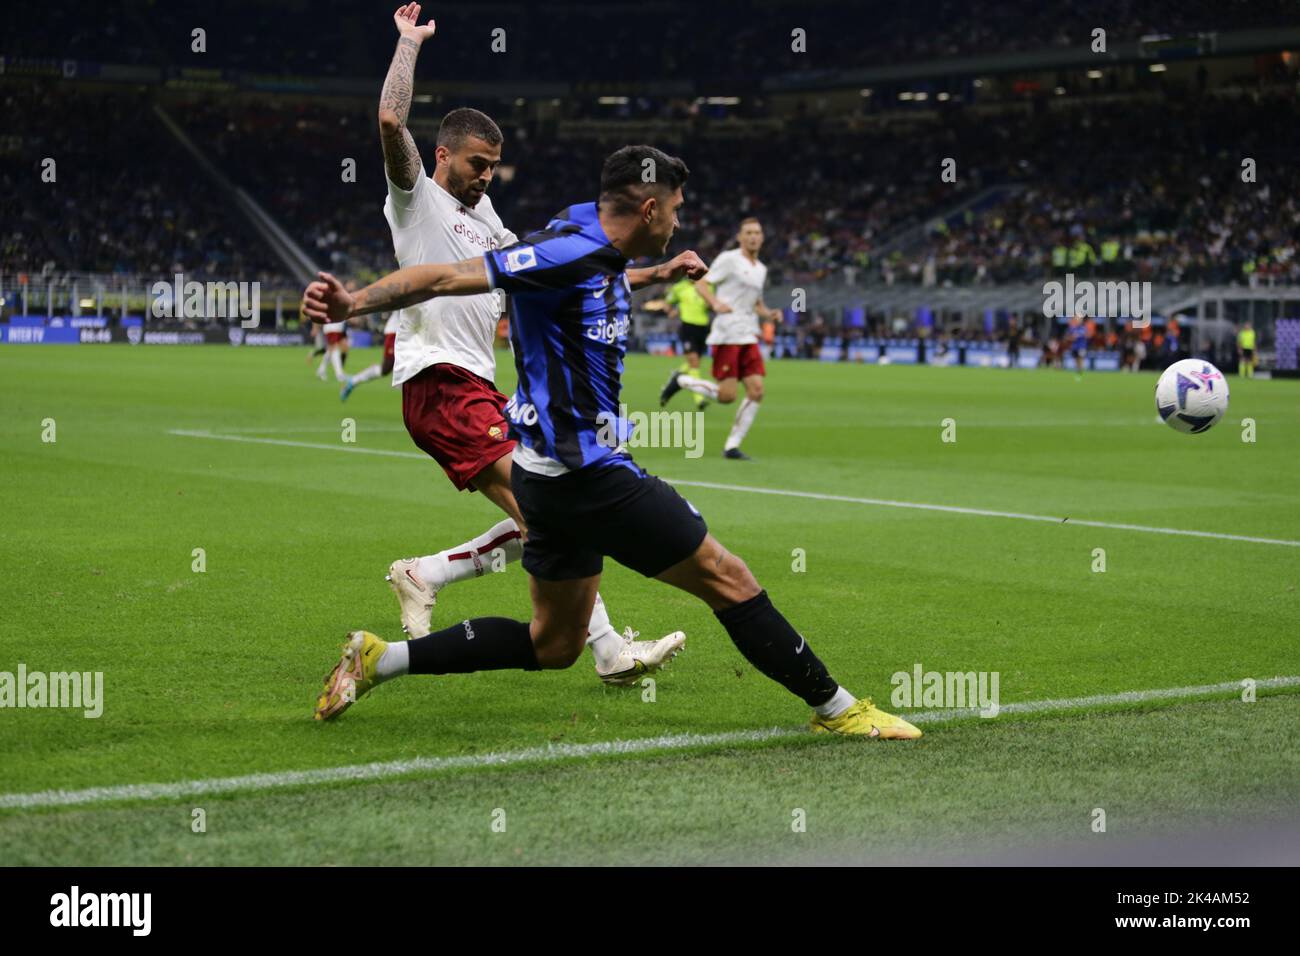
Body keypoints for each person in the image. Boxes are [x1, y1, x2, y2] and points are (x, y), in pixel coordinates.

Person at [303, 144, 921, 741]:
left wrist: (656, 272)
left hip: (546, 479)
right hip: (588, 475)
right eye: (676, 211)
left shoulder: (587, 231)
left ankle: (380, 660)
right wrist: (352, 303)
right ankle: (837, 707)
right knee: (727, 577)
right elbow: (446, 276)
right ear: (649, 208)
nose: (679, 225)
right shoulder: (563, 249)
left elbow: (602, 269)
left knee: (554, 645)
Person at [346, 4, 685, 684]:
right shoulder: (417, 201)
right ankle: (609, 648)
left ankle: (427, 573)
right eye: (477, 163)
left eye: (494, 167)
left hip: (481, 387)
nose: (486, 176)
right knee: (547, 509)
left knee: (553, 509)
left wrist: (656, 272)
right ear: (443, 154)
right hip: (438, 383)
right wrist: (408, 43)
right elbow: (389, 120)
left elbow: (556, 269)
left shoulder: (491, 222)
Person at [659, 219, 782, 460]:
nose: (753, 237)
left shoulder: (761, 269)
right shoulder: (729, 259)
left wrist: (769, 313)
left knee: (756, 390)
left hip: (748, 334)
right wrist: (715, 303)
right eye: (748, 233)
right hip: (727, 334)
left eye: (757, 233)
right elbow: (702, 284)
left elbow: (755, 303)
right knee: (727, 397)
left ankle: (732, 446)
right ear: (740, 237)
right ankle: (682, 380)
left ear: (762, 237)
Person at [664, 276, 711, 409]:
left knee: (693, 363)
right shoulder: (679, 287)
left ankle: (676, 376)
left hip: (703, 328)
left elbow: (711, 303)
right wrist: (672, 311)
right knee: (695, 364)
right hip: (687, 327)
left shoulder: (707, 285)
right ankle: (699, 400)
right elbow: (668, 302)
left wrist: (710, 304)